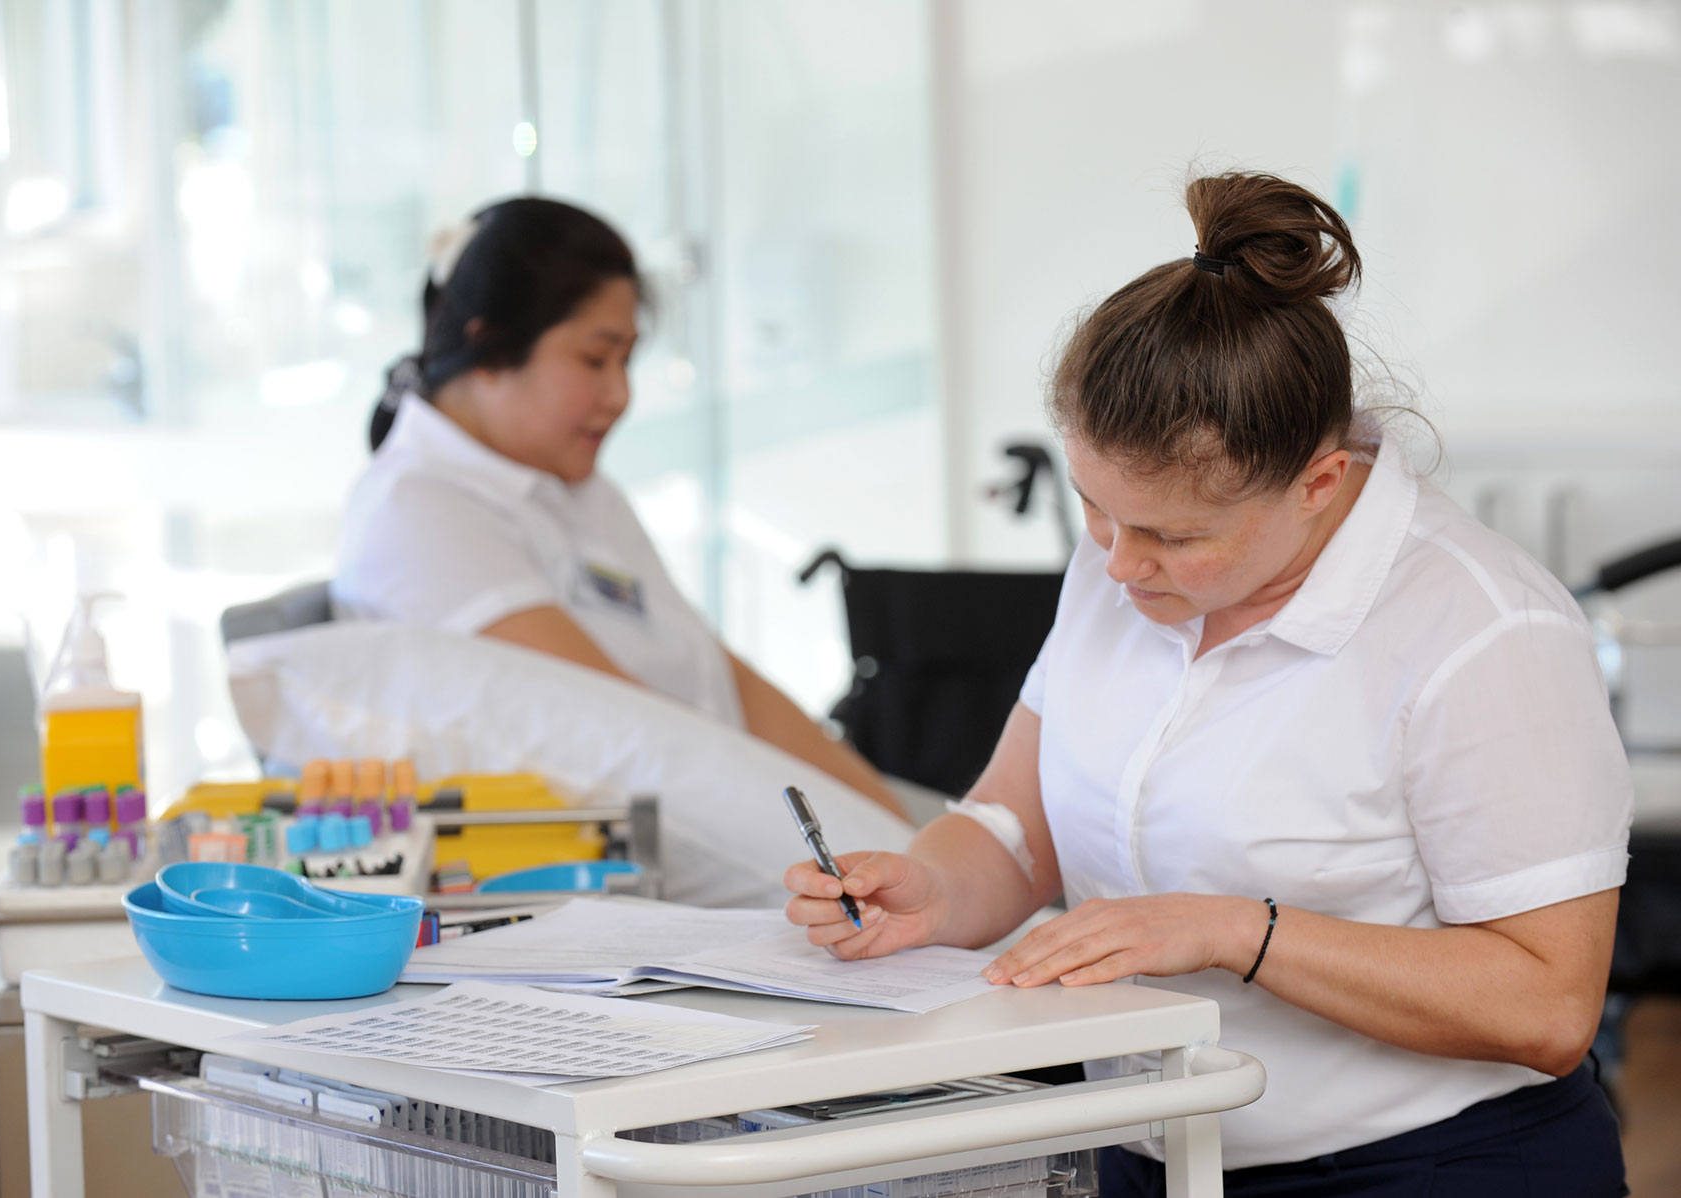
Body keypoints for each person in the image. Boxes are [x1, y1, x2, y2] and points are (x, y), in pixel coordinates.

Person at [783, 172, 1632, 1195]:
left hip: (1432, 1165)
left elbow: (1546, 1005)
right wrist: (932, 888)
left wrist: (1237, 929)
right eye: (1097, 509)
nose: (1121, 561)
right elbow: (1015, 822)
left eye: (1176, 536)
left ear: (1319, 481)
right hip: (1150, 1144)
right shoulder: (1119, 566)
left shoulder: (1485, 629)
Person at [333, 197, 906, 820]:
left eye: (627, 360)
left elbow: (724, 680)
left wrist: (890, 815)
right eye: (594, 358)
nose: (620, 394)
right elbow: (621, 733)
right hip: (674, 847)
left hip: (744, 815)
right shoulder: (418, 514)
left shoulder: (577, 489)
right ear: (490, 347)